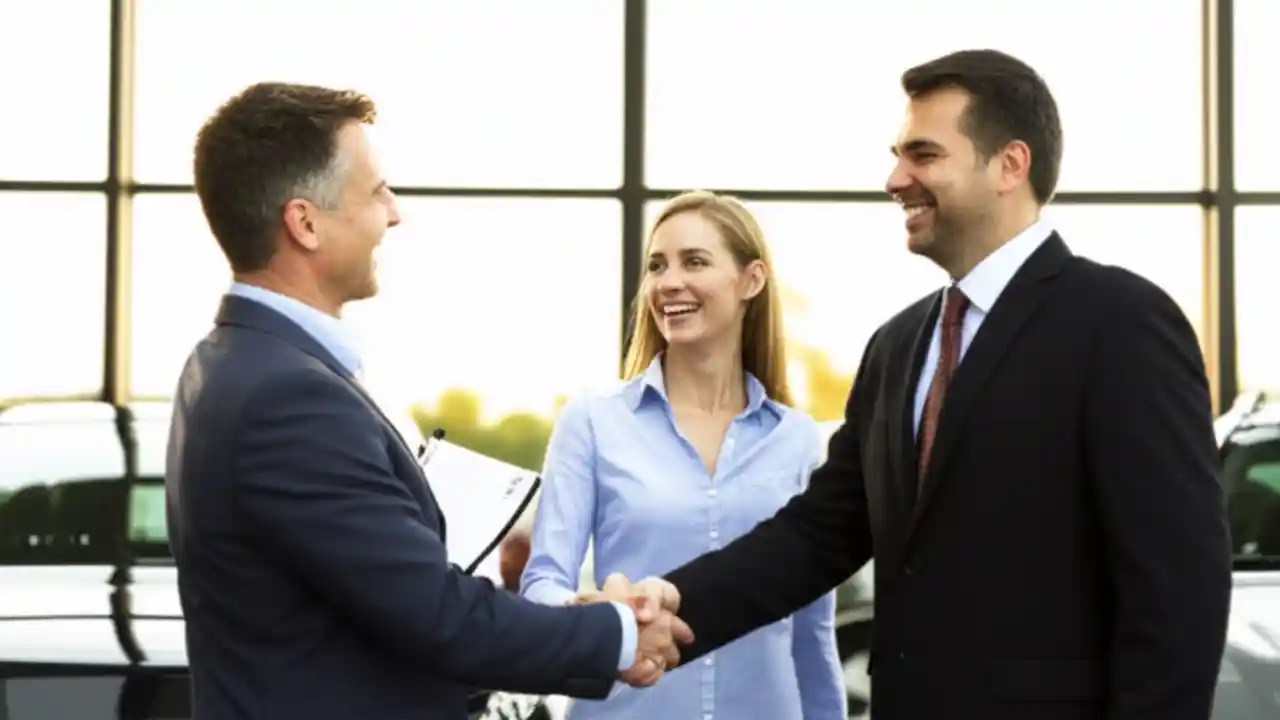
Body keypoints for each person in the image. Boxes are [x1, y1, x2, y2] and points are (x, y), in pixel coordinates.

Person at [613, 49, 1234, 719]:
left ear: (1010, 165)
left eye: (924, 155)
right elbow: (821, 533)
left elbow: (1180, 591)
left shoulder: (1119, 323)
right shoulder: (898, 346)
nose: (895, 179)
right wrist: (672, 603)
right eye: (898, 156)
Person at [163, 81, 691, 720]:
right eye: (375, 192)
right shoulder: (290, 397)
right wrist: (618, 636)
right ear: (305, 223)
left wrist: (559, 621)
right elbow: (434, 616)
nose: (393, 212)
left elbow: (378, 599)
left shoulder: (226, 361)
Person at [519, 190, 847, 719]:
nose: (669, 282)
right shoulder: (594, 423)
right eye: (657, 266)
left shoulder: (797, 439)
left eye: (694, 261)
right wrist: (592, 615)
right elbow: (542, 585)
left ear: (752, 280)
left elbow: (812, 628)